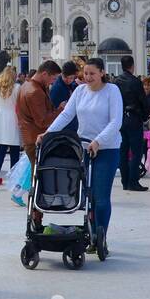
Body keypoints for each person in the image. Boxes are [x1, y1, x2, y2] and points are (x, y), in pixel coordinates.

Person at [42, 57, 123, 255]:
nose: (87, 77)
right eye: (85, 73)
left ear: (102, 73)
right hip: (83, 147)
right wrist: (48, 134)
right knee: (88, 196)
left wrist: (99, 141)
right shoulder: (79, 91)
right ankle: (90, 233)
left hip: (106, 148)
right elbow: (66, 115)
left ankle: (101, 236)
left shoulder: (112, 91)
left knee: (101, 195)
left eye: (92, 74)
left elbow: (115, 122)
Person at [16, 60, 62, 166]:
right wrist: (61, 110)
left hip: (30, 137)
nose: (53, 82)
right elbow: (42, 121)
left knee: (37, 173)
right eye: (53, 78)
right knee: (39, 174)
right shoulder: (35, 91)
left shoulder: (26, 85)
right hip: (36, 139)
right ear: (44, 74)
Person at [0, 65, 22, 190]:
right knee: (15, 153)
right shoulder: (17, 88)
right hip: (12, 118)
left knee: (0, 152)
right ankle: (15, 180)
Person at [116, 55, 149, 192]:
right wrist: (144, 115)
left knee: (123, 151)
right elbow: (142, 100)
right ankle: (133, 181)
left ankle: (125, 181)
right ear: (132, 66)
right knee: (137, 151)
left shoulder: (116, 81)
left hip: (121, 118)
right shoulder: (135, 81)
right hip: (134, 118)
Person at [49, 62, 80, 135]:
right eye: (66, 77)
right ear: (62, 74)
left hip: (71, 125)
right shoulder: (57, 88)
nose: (68, 80)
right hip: (64, 128)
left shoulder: (71, 85)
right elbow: (52, 109)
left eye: (71, 78)